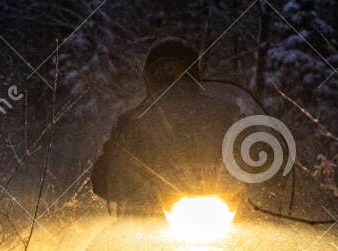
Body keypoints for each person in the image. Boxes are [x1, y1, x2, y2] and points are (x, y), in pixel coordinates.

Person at [89, 39, 244, 212]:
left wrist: (255, 178)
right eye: (161, 71)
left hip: (220, 209)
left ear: (191, 73)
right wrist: (120, 178)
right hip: (149, 215)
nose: (169, 77)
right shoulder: (133, 122)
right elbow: (105, 177)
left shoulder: (224, 114)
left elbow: (254, 158)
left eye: (175, 70)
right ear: (150, 76)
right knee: (110, 236)